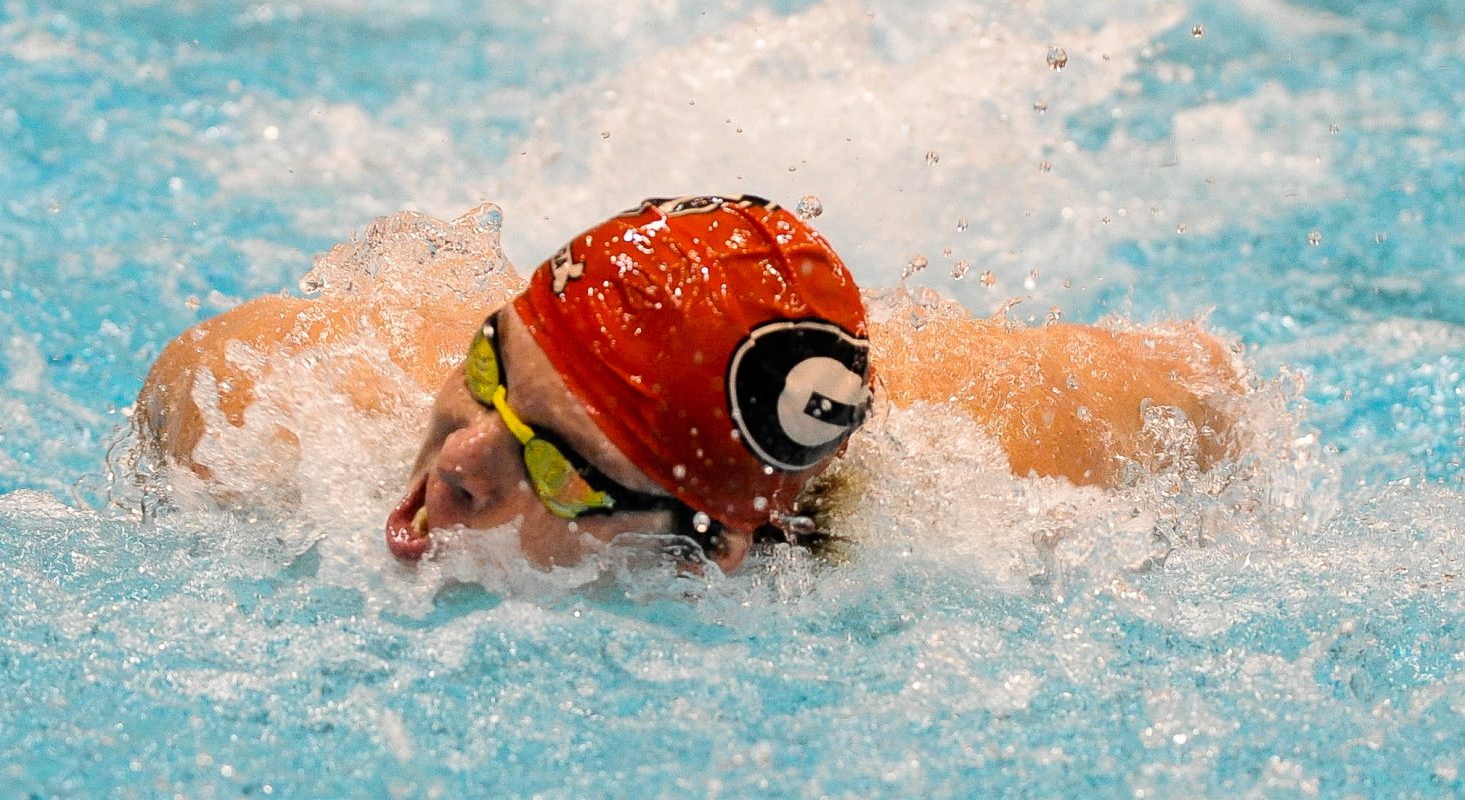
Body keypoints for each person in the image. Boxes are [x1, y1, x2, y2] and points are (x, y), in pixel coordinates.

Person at [135, 195, 1241, 573]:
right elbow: (191, 372)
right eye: (489, 374)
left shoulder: (986, 490)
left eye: (561, 468)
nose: (460, 462)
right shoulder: (284, 400)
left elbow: (1199, 392)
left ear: (709, 548)